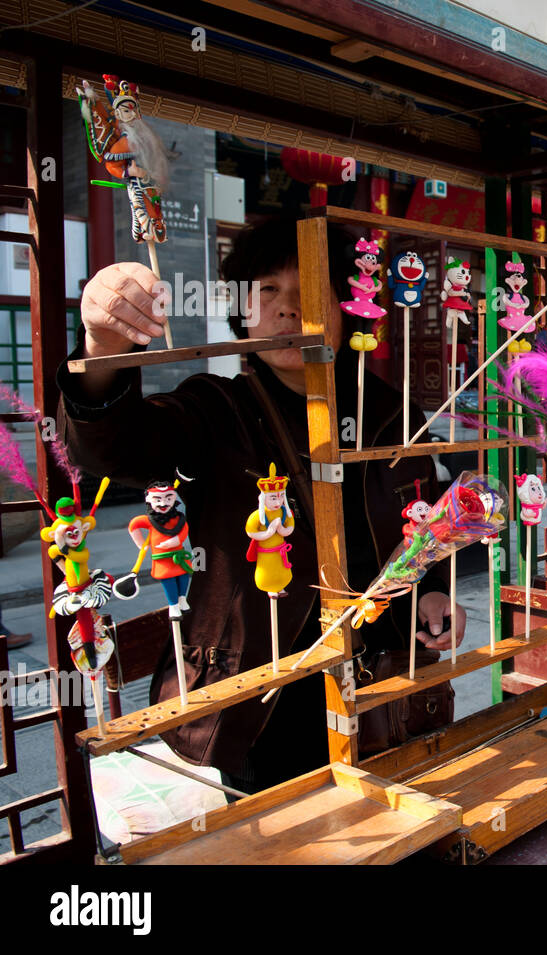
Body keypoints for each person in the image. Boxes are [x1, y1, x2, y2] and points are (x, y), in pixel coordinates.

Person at [57, 216, 465, 793]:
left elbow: (427, 526)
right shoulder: (215, 407)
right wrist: (103, 347)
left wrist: (436, 592)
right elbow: (115, 446)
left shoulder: (391, 412)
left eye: (308, 291)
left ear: (351, 304)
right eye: (267, 290)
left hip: (380, 698)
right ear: (242, 310)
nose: (287, 307)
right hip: (255, 711)